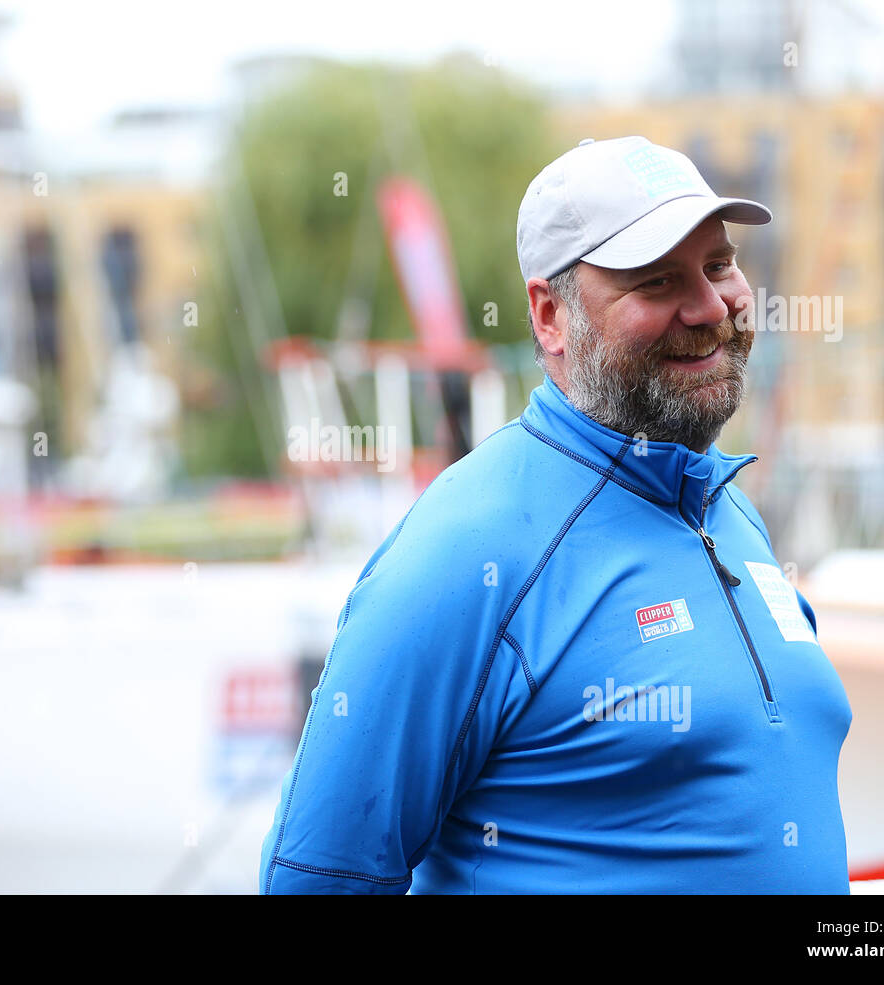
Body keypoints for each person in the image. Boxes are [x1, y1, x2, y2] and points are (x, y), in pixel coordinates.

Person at [258, 136, 853, 894]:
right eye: (658, 280)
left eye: (718, 265)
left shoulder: (726, 510)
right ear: (550, 317)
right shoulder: (471, 545)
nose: (709, 307)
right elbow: (315, 877)